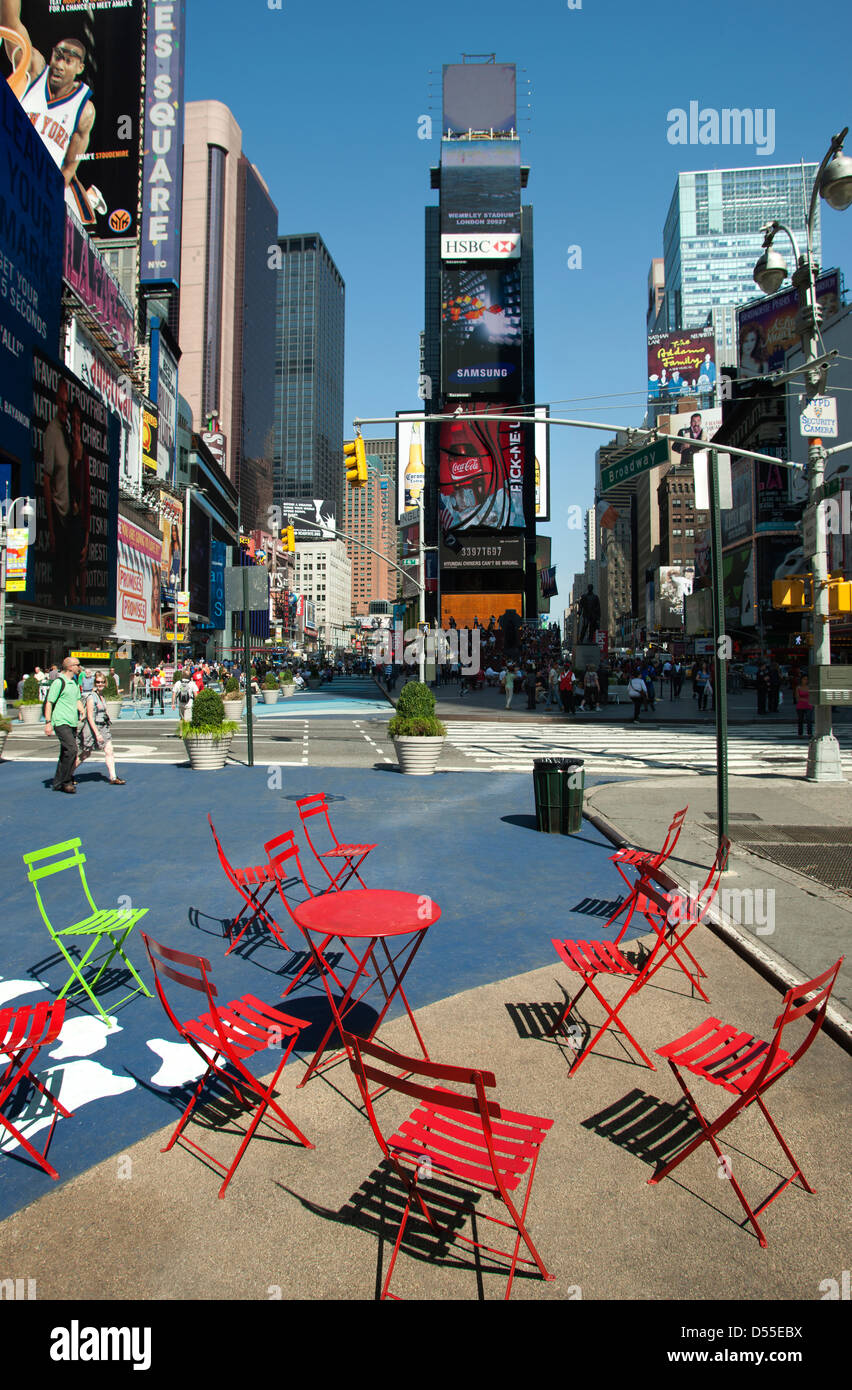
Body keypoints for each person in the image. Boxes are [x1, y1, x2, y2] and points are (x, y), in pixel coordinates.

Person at [1, 4, 101, 224]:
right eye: (57, 57)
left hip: (40, 185)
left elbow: (69, 166)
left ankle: (91, 198)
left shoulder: (84, 109)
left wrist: (47, 197)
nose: (59, 65)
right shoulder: (34, 69)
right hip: (10, 167)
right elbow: (9, 23)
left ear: (80, 68)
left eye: (68, 61)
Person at [75, 672, 125, 784]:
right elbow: (89, 717)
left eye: (102, 682)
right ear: (94, 683)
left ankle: (113, 777)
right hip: (92, 728)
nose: (100, 684)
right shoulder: (91, 697)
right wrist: (97, 734)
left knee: (109, 750)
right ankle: (67, 775)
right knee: (85, 754)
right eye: (98, 682)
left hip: (103, 727)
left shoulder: (101, 696)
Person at [43, 655, 83, 794]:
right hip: (60, 721)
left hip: (72, 722)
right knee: (72, 750)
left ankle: (58, 782)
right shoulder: (59, 683)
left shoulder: (74, 683)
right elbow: (49, 702)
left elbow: (77, 699)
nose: (80, 667)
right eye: (78, 665)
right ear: (70, 667)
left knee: (65, 752)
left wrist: (83, 711)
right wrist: (48, 723)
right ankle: (66, 781)